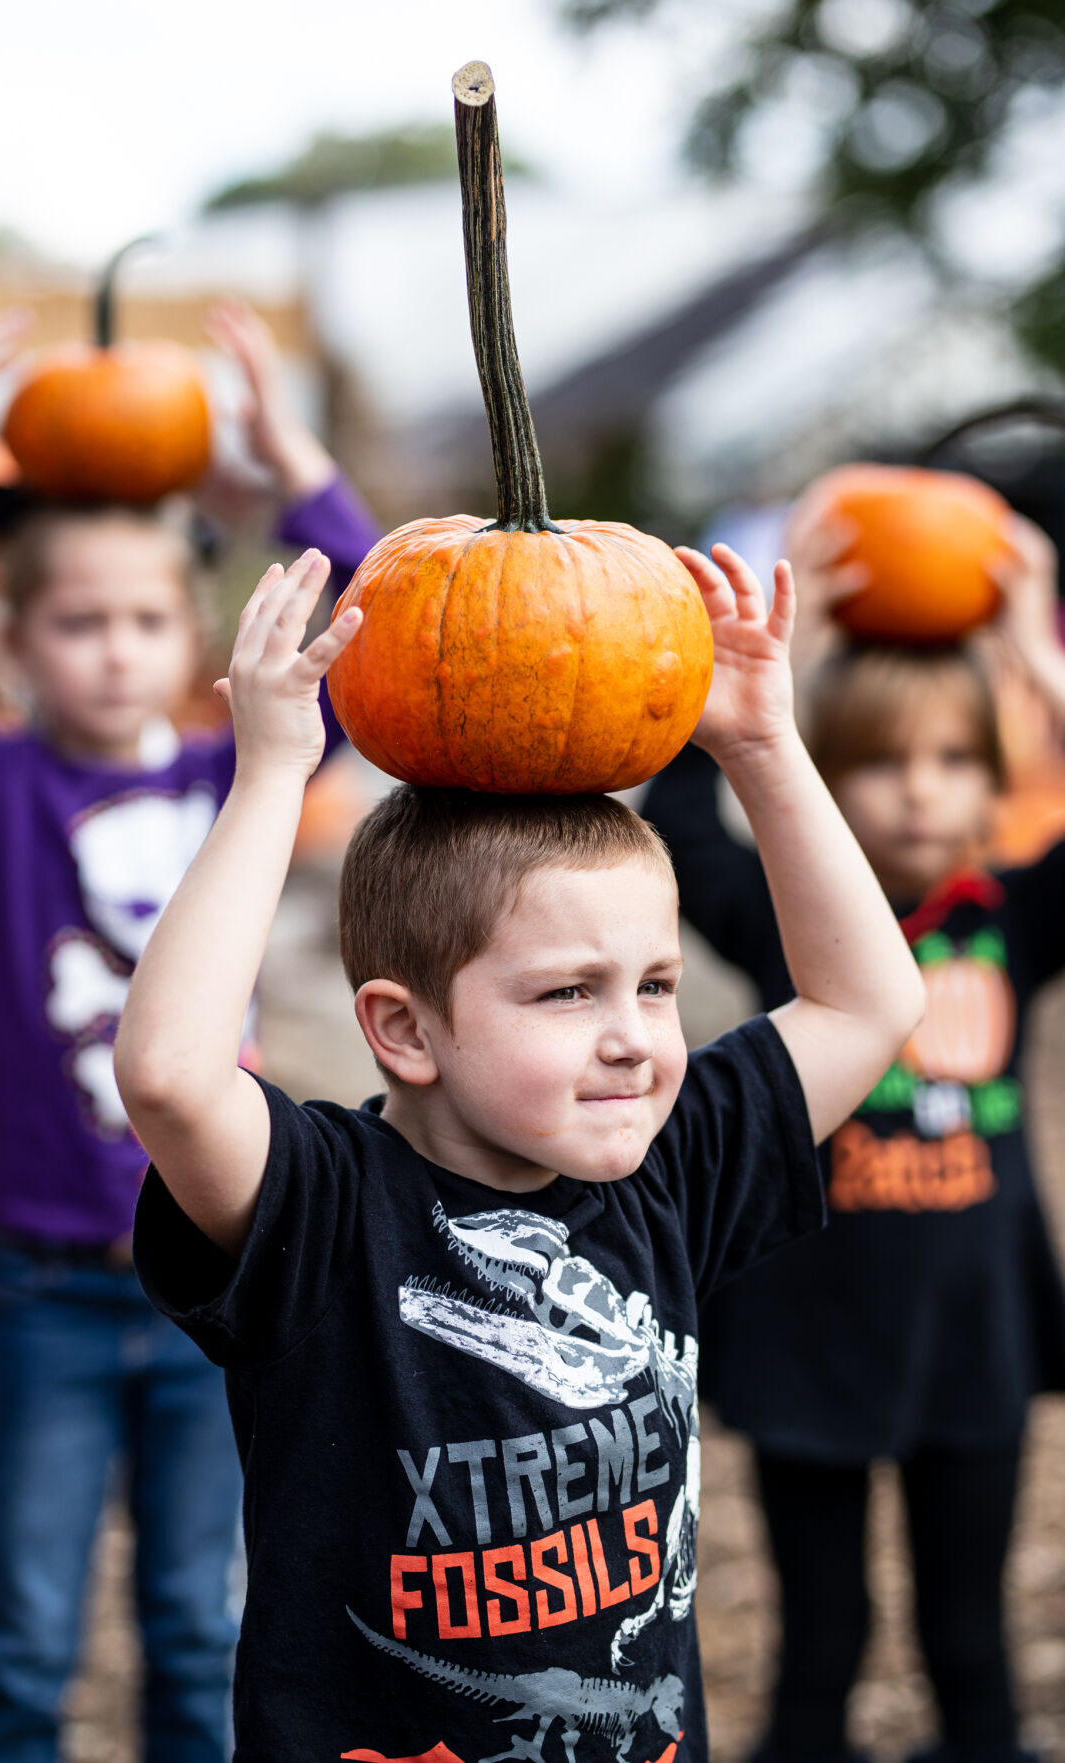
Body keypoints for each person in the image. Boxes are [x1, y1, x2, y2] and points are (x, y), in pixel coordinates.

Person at [114, 535, 924, 1761]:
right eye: (566, 994)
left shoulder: (667, 1166)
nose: (634, 1041)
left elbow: (869, 1005)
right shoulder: (322, 1207)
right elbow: (172, 1076)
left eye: (654, 985)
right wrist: (271, 777)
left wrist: (761, 747)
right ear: (403, 1027)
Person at [0, 303, 381, 1763]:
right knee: (23, 1635)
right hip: (40, 1289)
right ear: (13, 635)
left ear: (199, 635)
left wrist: (298, 470)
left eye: (147, 620)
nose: (114, 652)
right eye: (77, 620)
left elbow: (378, 634)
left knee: (196, 1624)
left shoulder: (245, 772)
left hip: (211, 1289)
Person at [642, 507, 1065, 1763]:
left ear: (995, 776)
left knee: (968, 1644)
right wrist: (776, 668)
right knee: (819, 1642)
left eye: (951, 757)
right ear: (826, 774)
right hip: (810, 1335)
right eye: (882, 759)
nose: (922, 785)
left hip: (970, 1336)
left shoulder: (1006, 916)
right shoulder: (799, 921)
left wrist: (1030, 654)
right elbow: (673, 827)